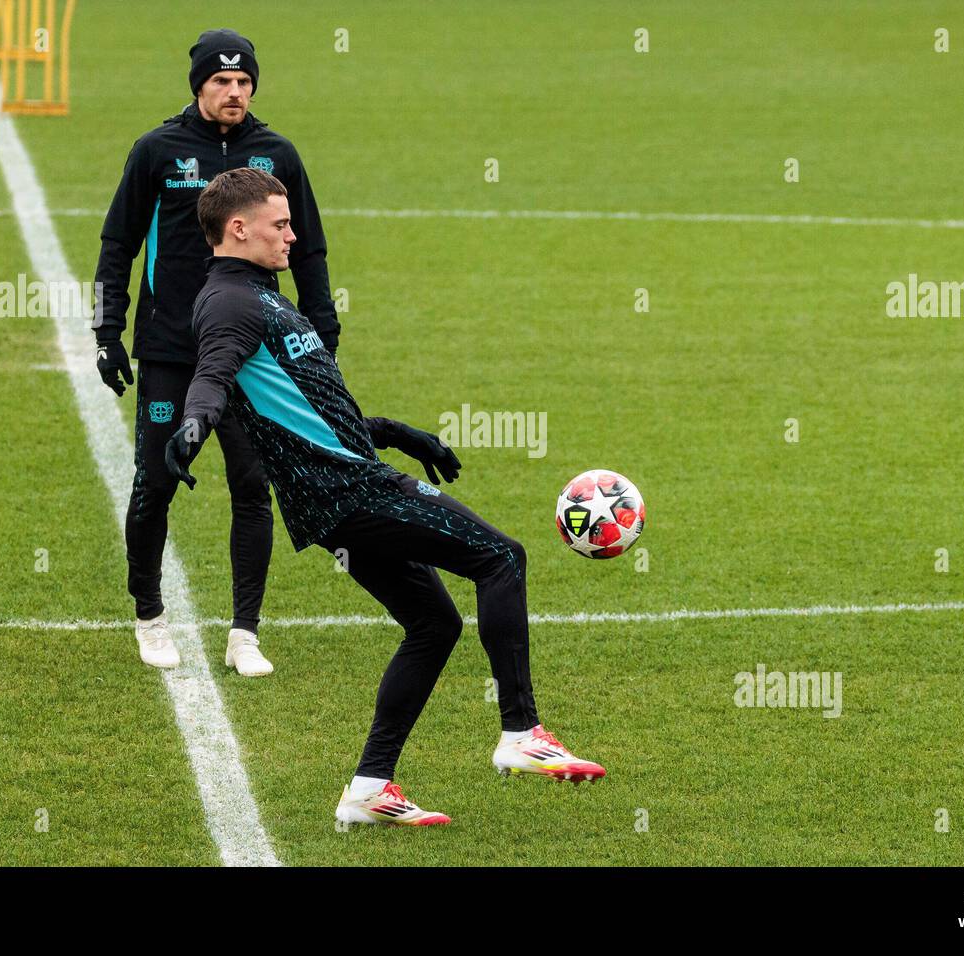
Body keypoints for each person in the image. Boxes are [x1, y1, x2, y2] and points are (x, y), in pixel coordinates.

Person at [165, 168, 606, 825]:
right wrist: (194, 424)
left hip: (343, 487)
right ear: (239, 228)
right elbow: (212, 377)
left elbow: (310, 410)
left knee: (435, 625)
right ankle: (521, 733)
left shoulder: (265, 295)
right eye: (280, 224)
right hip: (352, 492)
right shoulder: (231, 303)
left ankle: (369, 789)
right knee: (501, 558)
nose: (293, 235)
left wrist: (396, 433)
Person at [92, 29, 341, 675]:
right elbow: (117, 242)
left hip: (254, 351)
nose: (234, 92)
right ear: (199, 85)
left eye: (244, 82)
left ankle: (244, 633)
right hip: (171, 348)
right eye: (221, 82)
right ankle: (149, 616)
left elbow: (308, 247)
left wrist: (323, 333)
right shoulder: (157, 149)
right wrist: (106, 330)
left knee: (253, 486)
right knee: (156, 482)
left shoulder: (277, 154)